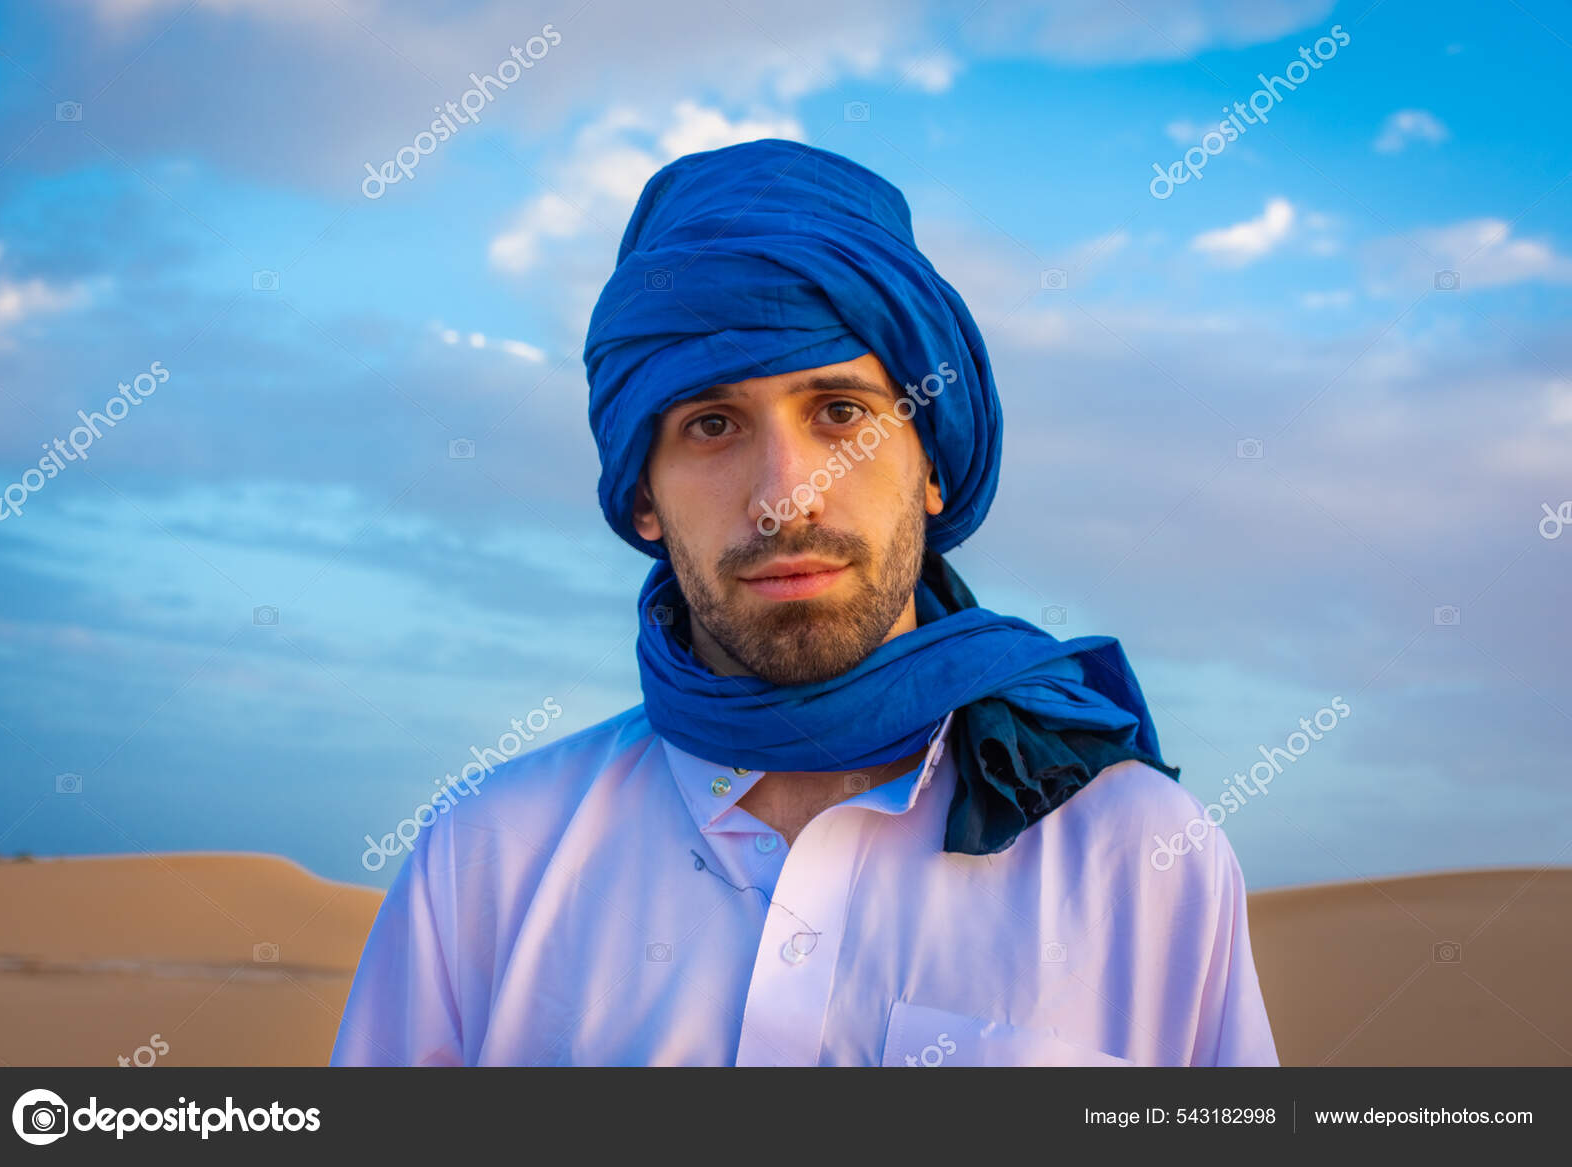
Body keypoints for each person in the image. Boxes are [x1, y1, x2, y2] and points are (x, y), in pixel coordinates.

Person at [331, 139, 1278, 1067]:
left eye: (841, 413)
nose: (784, 494)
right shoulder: (487, 860)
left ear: (934, 465)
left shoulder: (1142, 860)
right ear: (644, 495)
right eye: (712, 424)